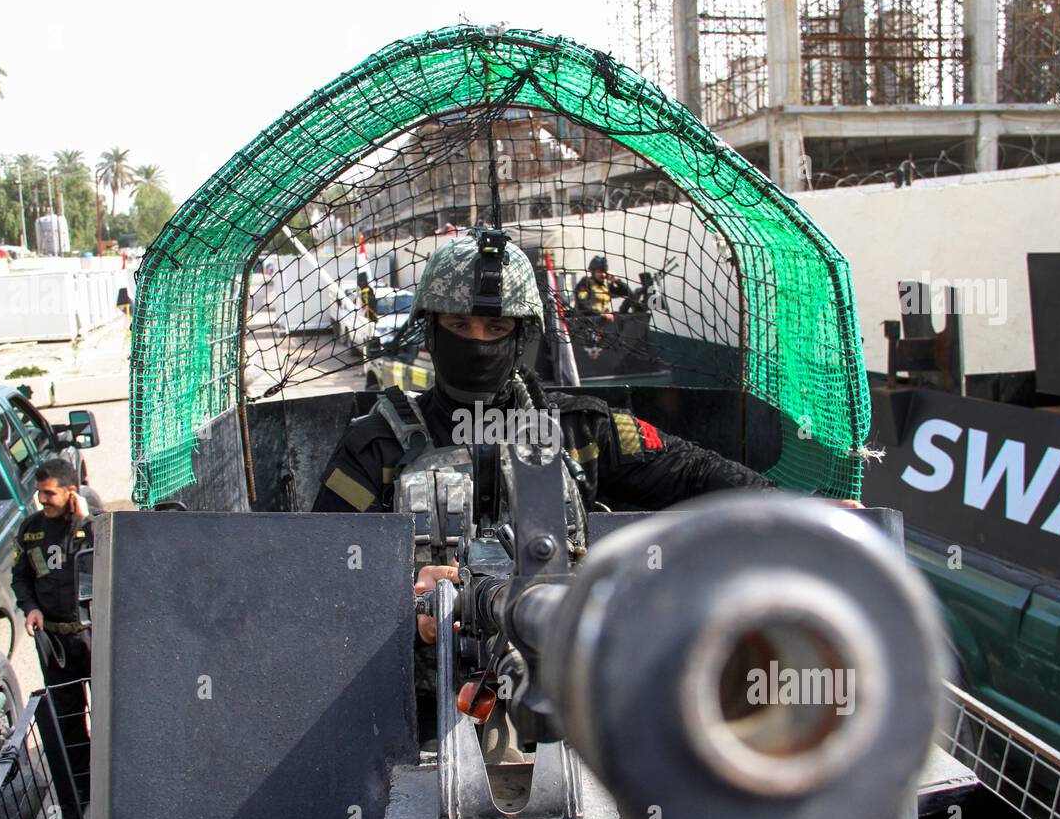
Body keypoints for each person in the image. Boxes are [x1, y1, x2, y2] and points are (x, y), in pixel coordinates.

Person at [312, 231, 862, 736]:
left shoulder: (579, 429)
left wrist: (799, 513)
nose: (477, 342)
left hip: (573, 699)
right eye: (459, 327)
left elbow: (691, 471)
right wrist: (401, 605)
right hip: (415, 713)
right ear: (431, 329)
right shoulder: (377, 444)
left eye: (496, 328)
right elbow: (317, 577)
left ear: (521, 334)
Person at [11, 458, 96, 803]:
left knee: (108, 712)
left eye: (49, 494)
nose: (41, 501)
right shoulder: (30, 529)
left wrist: (84, 518)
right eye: (38, 494)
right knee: (68, 720)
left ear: (70, 491)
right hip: (54, 643)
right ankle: (82, 790)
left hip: (92, 636)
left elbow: (111, 551)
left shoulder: (88, 526)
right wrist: (30, 607)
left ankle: (112, 782)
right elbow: (20, 577)